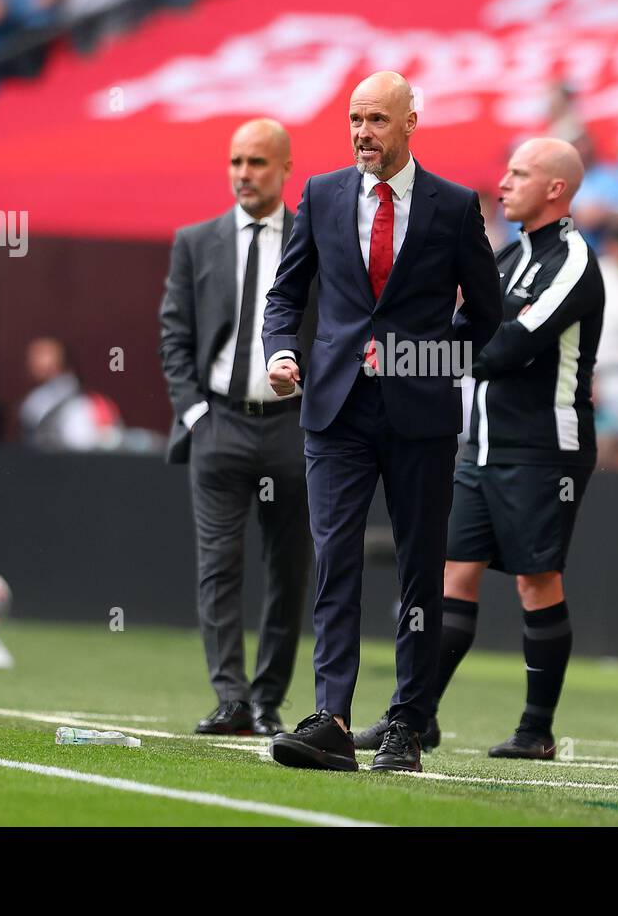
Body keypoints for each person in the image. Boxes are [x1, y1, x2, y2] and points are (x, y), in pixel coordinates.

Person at [261, 71, 502, 772]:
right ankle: (331, 718)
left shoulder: (454, 205)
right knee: (334, 560)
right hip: (334, 409)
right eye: (354, 119)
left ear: (409, 123)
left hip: (419, 414)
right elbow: (286, 295)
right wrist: (281, 350)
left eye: (376, 120)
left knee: (421, 570)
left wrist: (427, 359)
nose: (362, 133)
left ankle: (407, 725)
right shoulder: (321, 194)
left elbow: (485, 314)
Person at [353, 138, 604, 760]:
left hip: (544, 448)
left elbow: (508, 346)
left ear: (556, 188)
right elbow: (471, 330)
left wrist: (413, 359)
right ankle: (415, 718)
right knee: (451, 573)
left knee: (536, 582)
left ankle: (536, 730)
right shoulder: (510, 254)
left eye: (519, 173)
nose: (504, 182)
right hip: (482, 444)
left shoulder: (573, 260)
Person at [158, 118, 314, 737]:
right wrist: (196, 414)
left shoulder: (315, 239)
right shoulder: (196, 241)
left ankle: (268, 702)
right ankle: (231, 699)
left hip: (293, 428)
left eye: (257, 162)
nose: (243, 174)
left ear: (285, 168)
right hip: (219, 423)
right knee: (217, 566)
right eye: (235, 162)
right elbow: (174, 334)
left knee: (288, 570)